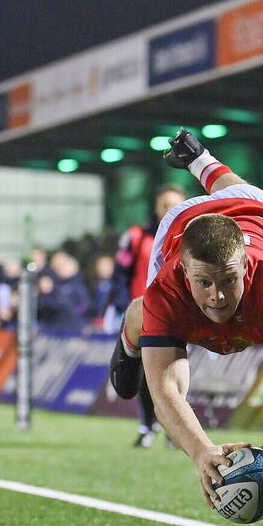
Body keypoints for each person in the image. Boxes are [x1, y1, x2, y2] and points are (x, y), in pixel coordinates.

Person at [108, 129, 263, 513]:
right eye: (204, 282)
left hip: (258, 213)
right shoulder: (166, 290)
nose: (217, 296)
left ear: (247, 266)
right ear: (184, 272)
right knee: (151, 323)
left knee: (245, 194)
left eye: (228, 280)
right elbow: (167, 391)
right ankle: (131, 330)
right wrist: (202, 452)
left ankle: (198, 157)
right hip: (180, 225)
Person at [110, 185, 186, 447]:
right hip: (144, 315)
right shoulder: (135, 236)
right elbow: (120, 275)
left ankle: (174, 431)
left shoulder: (191, 236)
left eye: (174, 204)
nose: (169, 209)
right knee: (146, 373)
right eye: (164, 204)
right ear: (156, 206)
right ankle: (148, 426)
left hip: (179, 313)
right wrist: (123, 307)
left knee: (176, 372)